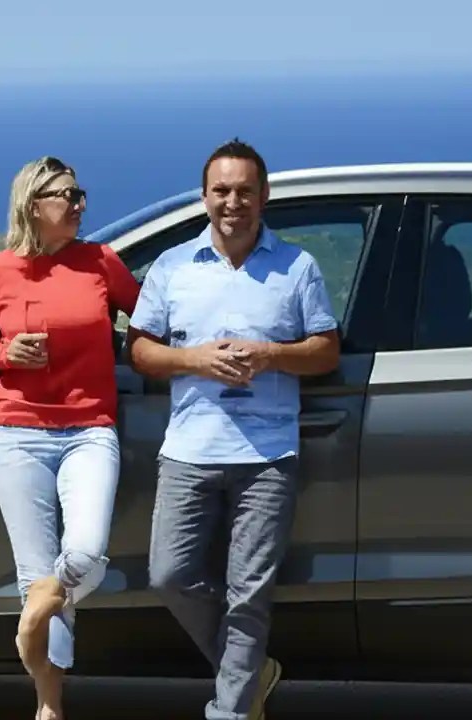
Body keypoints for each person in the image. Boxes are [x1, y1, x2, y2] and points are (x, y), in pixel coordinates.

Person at [126, 138, 341, 720]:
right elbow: (141, 350)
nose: (233, 202)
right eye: (222, 191)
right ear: (204, 197)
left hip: (269, 453)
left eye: (245, 191)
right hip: (189, 450)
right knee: (169, 575)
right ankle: (250, 673)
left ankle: (232, 709)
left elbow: (325, 350)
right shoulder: (172, 267)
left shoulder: (297, 267)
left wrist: (271, 355)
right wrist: (195, 360)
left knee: (249, 595)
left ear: (263, 196)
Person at [0, 156, 140, 720]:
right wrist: (5, 353)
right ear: (33, 204)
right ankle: (49, 706)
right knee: (32, 573)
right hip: (16, 433)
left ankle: (42, 605)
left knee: (84, 554)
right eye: (67, 195)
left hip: (90, 430)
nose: (80, 204)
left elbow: (149, 318)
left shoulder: (100, 262)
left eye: (80, 193)